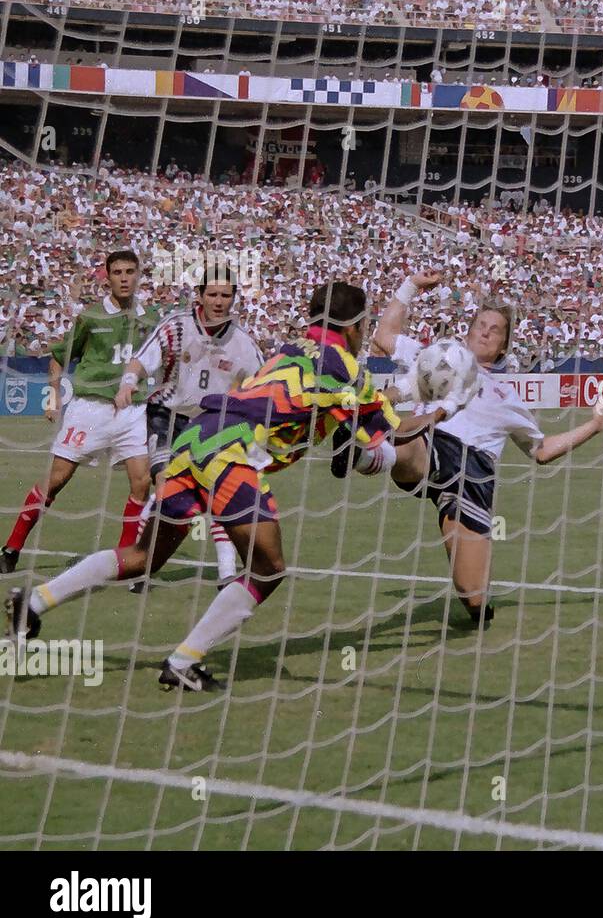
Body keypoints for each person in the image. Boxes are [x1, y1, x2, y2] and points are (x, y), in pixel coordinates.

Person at [7, 283, 401, 690]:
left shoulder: (290, 347)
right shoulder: (345, 368)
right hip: (232, 454)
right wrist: (414, 410)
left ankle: (32, 602)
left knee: (143, 557)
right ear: (355, 326)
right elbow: (385, 449)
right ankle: (182, 661)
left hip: (194, 439)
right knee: (268, 569)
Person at [353, 271, 603, 629]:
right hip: (429, 445)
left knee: (473, 597)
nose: (486, 331)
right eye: (481, 324)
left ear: (503, 346)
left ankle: (478, 609)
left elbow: (542, 450)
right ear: (469, 331)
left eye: (496, 330)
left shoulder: (508, 398)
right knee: (408, 441)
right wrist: (410, 285)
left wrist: (594, 426)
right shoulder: (438, 357)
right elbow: (384, 336)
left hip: (473, 474)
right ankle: (365, 451)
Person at [1, 250, 160, 576]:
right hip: (90, 409)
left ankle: (125, 562)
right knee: (57, 480)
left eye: (130, 271)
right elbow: (58, 357)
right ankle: (11, 547)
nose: (125, 278)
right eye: (117, 272)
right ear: (108, 277)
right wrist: (52, 397)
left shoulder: (152, 318)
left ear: (138, 275)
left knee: (141, 484)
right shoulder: (91, 317)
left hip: (132, 410)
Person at [115, 264, 265, 590]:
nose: (218, 301)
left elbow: (262, 386)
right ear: (199, 295)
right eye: (212, 294)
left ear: (234, 299)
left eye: (225, 295)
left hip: (214, 425)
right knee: (166, 484)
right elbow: (141, 360)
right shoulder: (176, 327)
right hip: (167, 415)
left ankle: (226, 573)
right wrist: (128, 382)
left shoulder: (243, 344)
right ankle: (140, 564)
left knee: (220, 493)